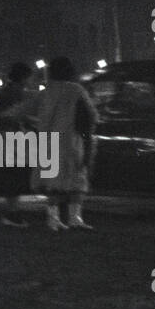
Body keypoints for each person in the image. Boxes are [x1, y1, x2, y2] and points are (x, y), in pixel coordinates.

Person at [31, 56, 97, 230]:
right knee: (77, 179)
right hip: (72, 140)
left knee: (53, 183)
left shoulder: (46, 91)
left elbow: (28, 108)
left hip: (49, 141)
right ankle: (75, 217)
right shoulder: (76, 90)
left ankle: (53, 219)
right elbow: (90, 114)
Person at [0, 62, 34, 226]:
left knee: (11, 174)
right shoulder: (15, 92)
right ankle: (12, 212)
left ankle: (12, 211)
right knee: (14, 174)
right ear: (24, 77)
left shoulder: (6, 91)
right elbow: (15, 114)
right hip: (12, 137)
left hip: (5, 136)